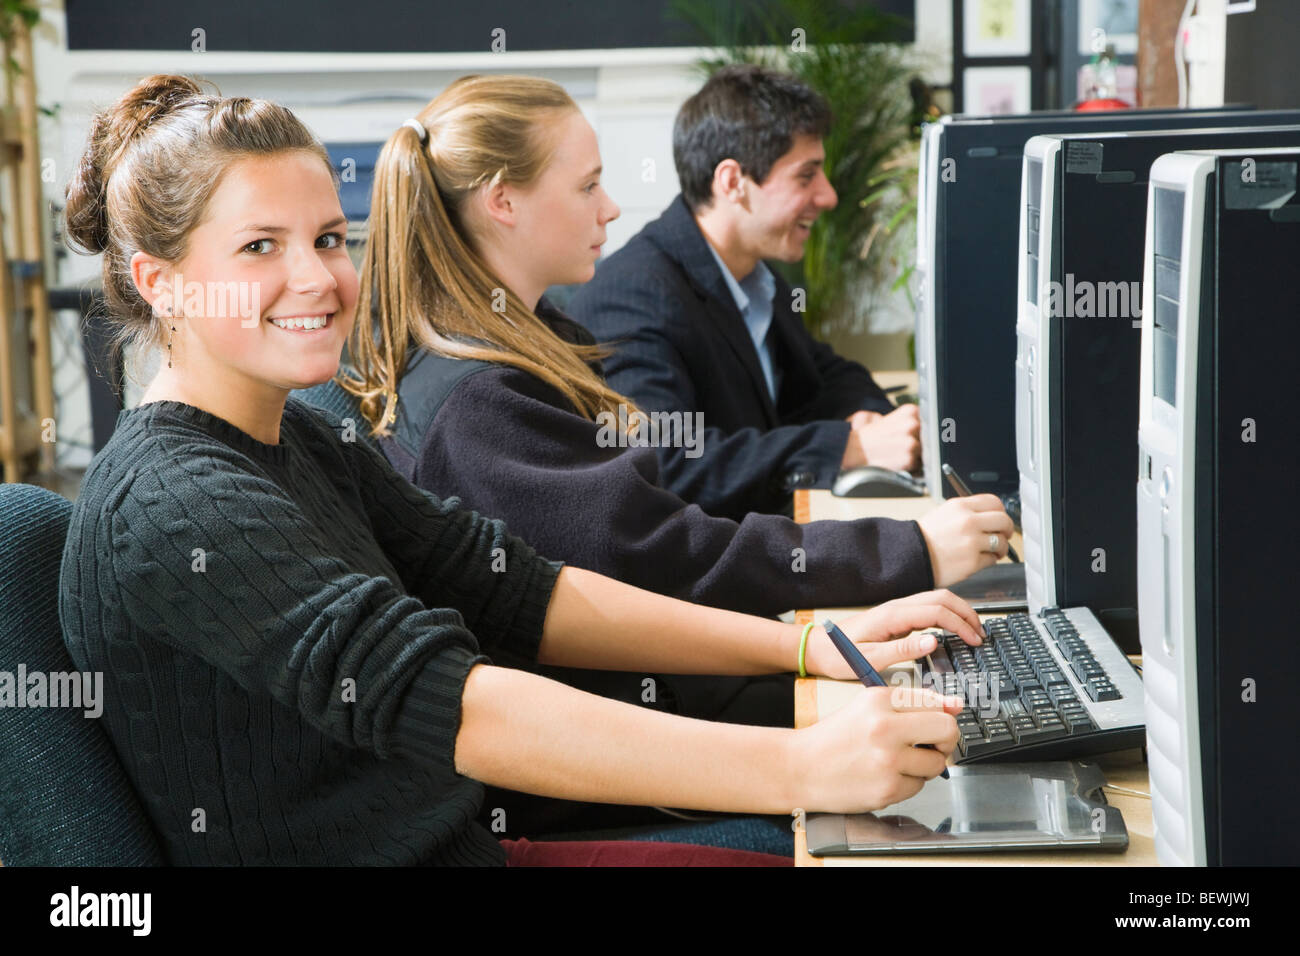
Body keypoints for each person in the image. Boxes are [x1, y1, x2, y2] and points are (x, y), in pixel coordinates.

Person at [59, 74, 980, 867]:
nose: (318, 277)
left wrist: (805, 647)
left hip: (466, 842)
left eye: (330, 239)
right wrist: (800, 765)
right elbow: (454, 703)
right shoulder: (176, 505)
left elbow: (522, 592)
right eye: (260, 247)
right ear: (159, 280)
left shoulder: (297, 436)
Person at [341, 75, 1015, 740]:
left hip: (664, 694)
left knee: (942, 707)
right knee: (943, 733)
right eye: (587, 186)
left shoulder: (530, 340)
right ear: (503, 202)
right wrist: (906, 550)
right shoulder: (481, 399)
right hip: (637, 737)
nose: (609, 208)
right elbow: (663, 555)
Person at [568, 64, 926, 521]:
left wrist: (869, 419)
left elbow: (825, 376)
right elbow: (666, 461)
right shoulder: (632, 296)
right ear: (733, 182)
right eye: (806, 175)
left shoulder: (755, 275)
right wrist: (846, 447)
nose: (829, 196)